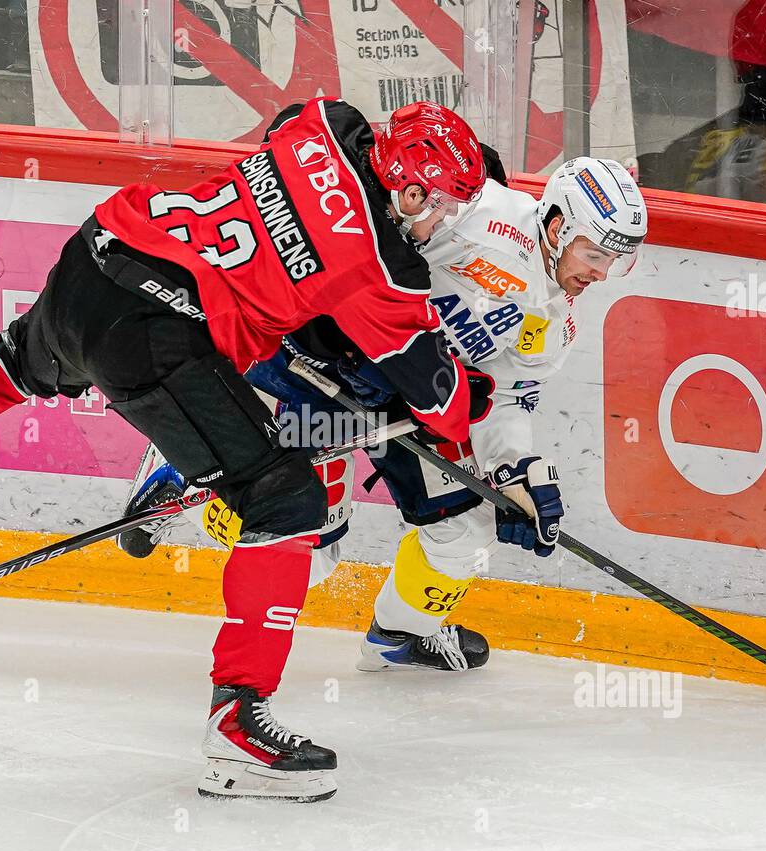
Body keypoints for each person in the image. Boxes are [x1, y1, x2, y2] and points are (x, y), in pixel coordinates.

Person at [0, 97, 488, 803]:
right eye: (444, 207)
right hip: (155, 331)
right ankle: (237, 733)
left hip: (103, 251)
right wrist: (479, 393)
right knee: (287, 501)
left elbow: (283, 138)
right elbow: (439, 398)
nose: (443, 224)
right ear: (409, 188)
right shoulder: (385, 267)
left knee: (19, 359)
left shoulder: (327, 121)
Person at [121, 157, 647, 674]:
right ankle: (190, 488)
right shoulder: (475, 213)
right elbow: (372, 223)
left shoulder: (556, 327)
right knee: (307, 558)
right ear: (557, 225)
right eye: (594, 253)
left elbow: (506, 397)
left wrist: (512, 468)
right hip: (326, 371)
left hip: (417, 401)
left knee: (470, 529)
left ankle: (399, 634)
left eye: (613, 261)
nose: (599, 274)